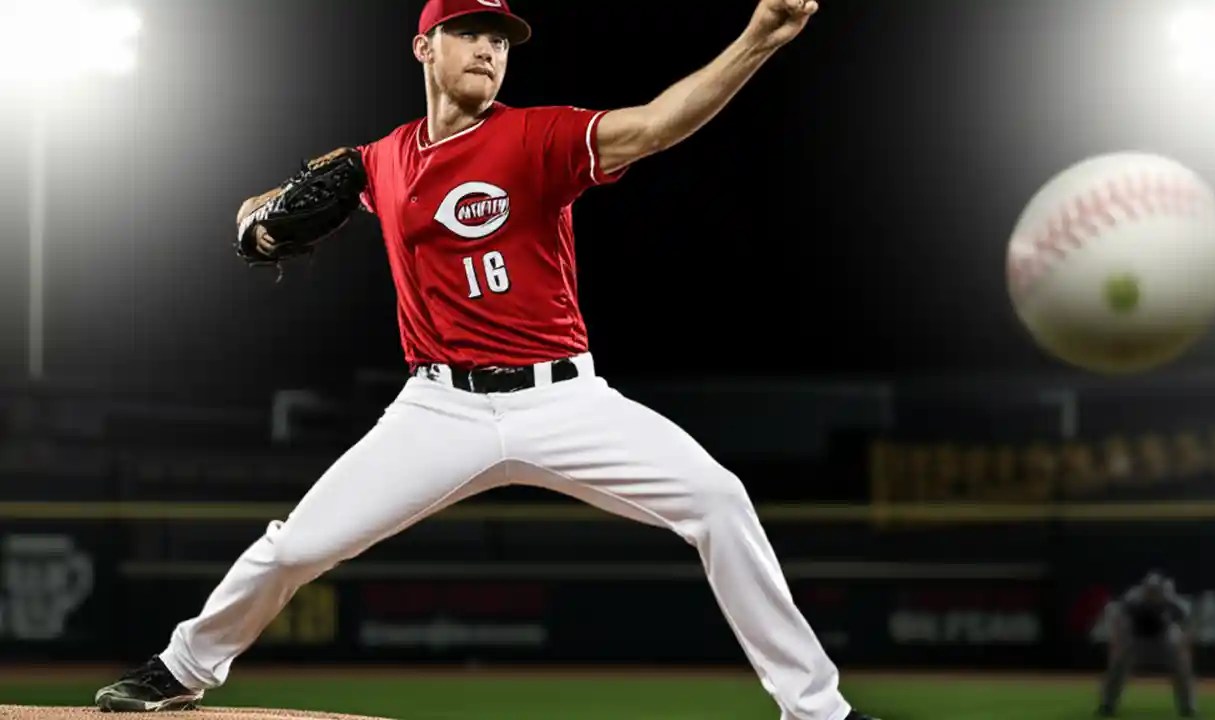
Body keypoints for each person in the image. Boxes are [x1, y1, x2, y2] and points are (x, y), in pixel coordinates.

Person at [94, 1, 878, 719]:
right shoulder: (381, 159)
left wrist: (758, 40)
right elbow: (256, 210)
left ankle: (816, 711)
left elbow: (656, 124)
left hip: (566, 401)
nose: (488, 50)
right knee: (297, 545)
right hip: (439, 410)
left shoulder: (538, 137)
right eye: (470, 33)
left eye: (500, 39)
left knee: (718, 499)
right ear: (423, 47)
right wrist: (257, 230)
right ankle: (183, 665)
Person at [1097, 571, 1198, 718]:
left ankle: (1187, 707)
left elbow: (1187, 623)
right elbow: (1119, 621)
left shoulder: (1172, 601)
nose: (1153, 594)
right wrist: (1119, 642)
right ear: (1144, 589)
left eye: (1157, 591)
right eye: (1151, 590)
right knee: (1117, 665)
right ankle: (1107, 705)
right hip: (1136, 637)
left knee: (1182, 665)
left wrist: (1184, 644)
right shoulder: (1133, 599)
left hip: (1163, 636)